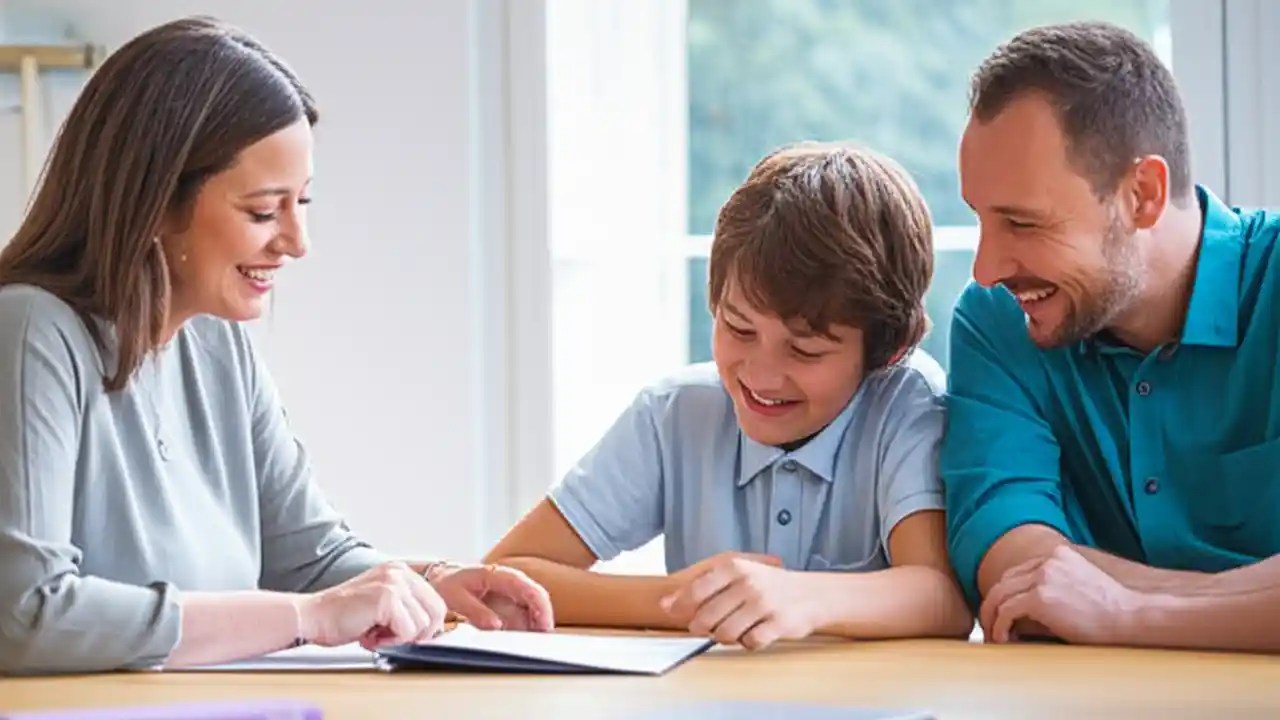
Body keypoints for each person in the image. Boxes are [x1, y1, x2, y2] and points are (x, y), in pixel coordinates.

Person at [0, 16, 552, 676]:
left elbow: (310, 558)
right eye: (264, 211)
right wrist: (305, 619)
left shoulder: (217, 345)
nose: (296, 241)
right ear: (157, 203)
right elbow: (25, 615)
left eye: (302, 203)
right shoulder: (31, 333)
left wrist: (428, 583)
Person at [485, 142, 973, 650]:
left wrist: (805, 597)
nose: (761, 374)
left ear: (887, 351)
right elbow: (502, 580)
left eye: (804, 350)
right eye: (739, 329)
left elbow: (943, 599)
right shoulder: (675, 414)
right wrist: (677, 599)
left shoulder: (905, 404)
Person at [943, 20, 1280, 652]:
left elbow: (1064, 590)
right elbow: (1013, 566)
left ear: (1142, 195)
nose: (986, 269)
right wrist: (1252, 603)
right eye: (980, 219)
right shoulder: (996, 321)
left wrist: (1130, 613)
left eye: (1022, 223)